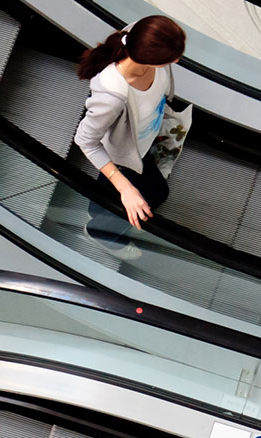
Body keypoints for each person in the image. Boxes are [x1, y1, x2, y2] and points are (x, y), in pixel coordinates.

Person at [72, 15, 186, 260]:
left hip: (142, 143)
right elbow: (85, 140)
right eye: (172, 57)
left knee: (151, 192)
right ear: (150, 58)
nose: (176, 60)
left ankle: (102, 215)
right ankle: (101, 232)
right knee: (153, 194)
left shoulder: (139, 35)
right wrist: (126, 189)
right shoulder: (112, 95)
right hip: (123, 155)